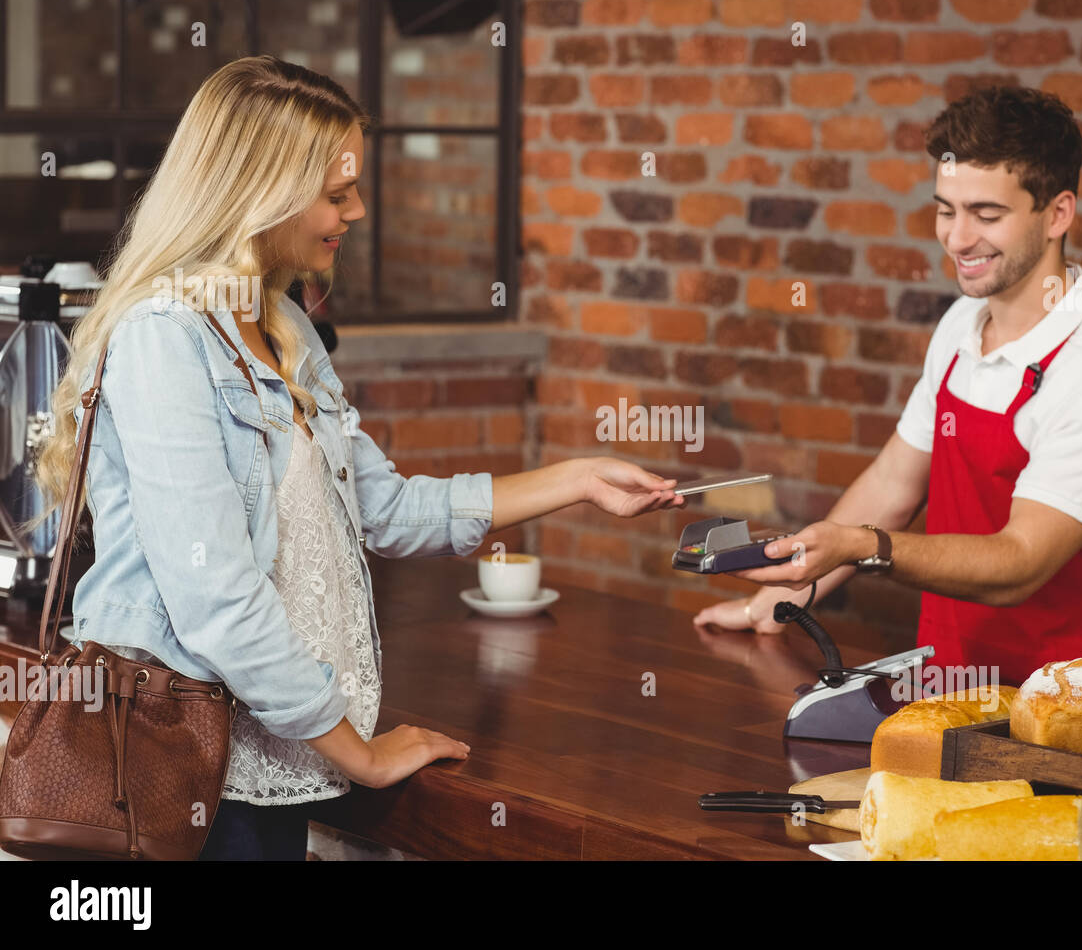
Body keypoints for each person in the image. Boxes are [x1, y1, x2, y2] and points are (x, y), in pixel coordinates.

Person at [26, 56, 683, 860]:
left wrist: (576, 479)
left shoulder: (282, 326)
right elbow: (216, 598)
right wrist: (360, 752)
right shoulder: (165, 335)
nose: (358, 210)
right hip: (186, 759)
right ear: (257, 188)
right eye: (337, 194)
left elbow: (387, 509)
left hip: (276, 749)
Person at [694, 86, 1082, 685]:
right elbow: (894, 482)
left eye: (987, 215)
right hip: (957, 682)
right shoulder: (964, 322)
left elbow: (1019, 564)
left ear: (1058, 213)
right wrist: (782, 600)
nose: (958, 240)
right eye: (945, 210)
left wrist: (864, 546)